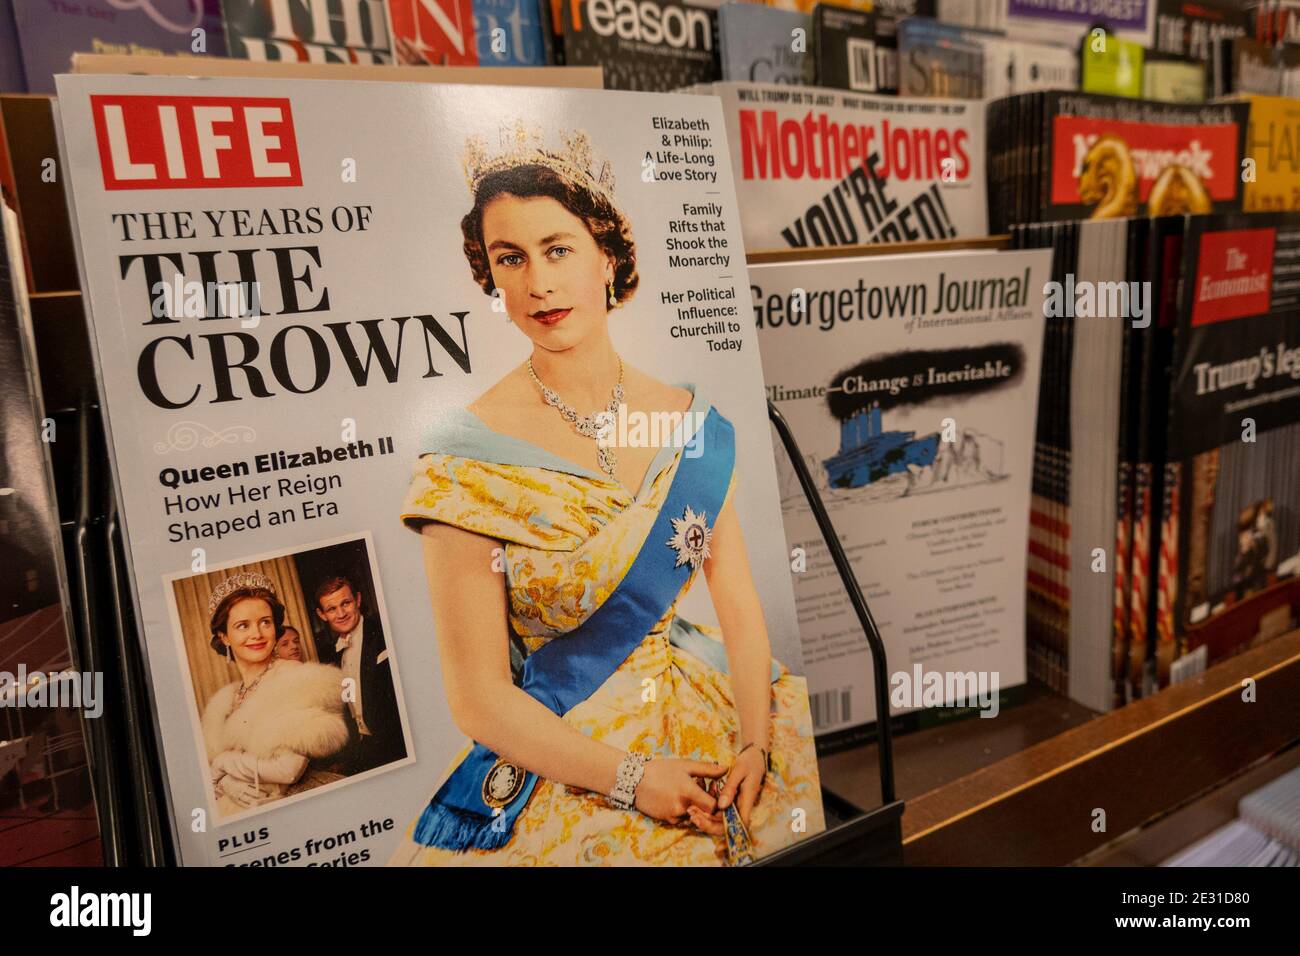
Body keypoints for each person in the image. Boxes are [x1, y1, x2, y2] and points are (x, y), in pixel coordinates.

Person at [388, 124, 823, 866]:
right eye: (509, 259)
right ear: (489, 276)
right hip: (569, 760)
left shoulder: (689, 421)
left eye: (558, 249)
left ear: (607, 255)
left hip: (711, 711)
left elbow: (742, 612)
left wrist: (754, 743)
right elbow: (478, 699)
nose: (537, 284)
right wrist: (633, 781)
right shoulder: (461, 460)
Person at [200, 572, 349, 817]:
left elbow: (287, 771)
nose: (257, 634)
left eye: (265, 622)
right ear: (224, 637)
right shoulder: (226, 699)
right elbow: (211, 780)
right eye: (242, 626)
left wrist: (223, 764)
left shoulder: (294, 676)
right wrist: (226, 783)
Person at [311, 575, 405, 775]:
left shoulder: (384, 631)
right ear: (322, 614)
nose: (341, 613)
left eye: (346, 603)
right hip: (361, 750)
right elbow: (345, 705)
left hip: (398, 745)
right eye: (331, 609)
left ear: (358, 600)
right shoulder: (329, 654)